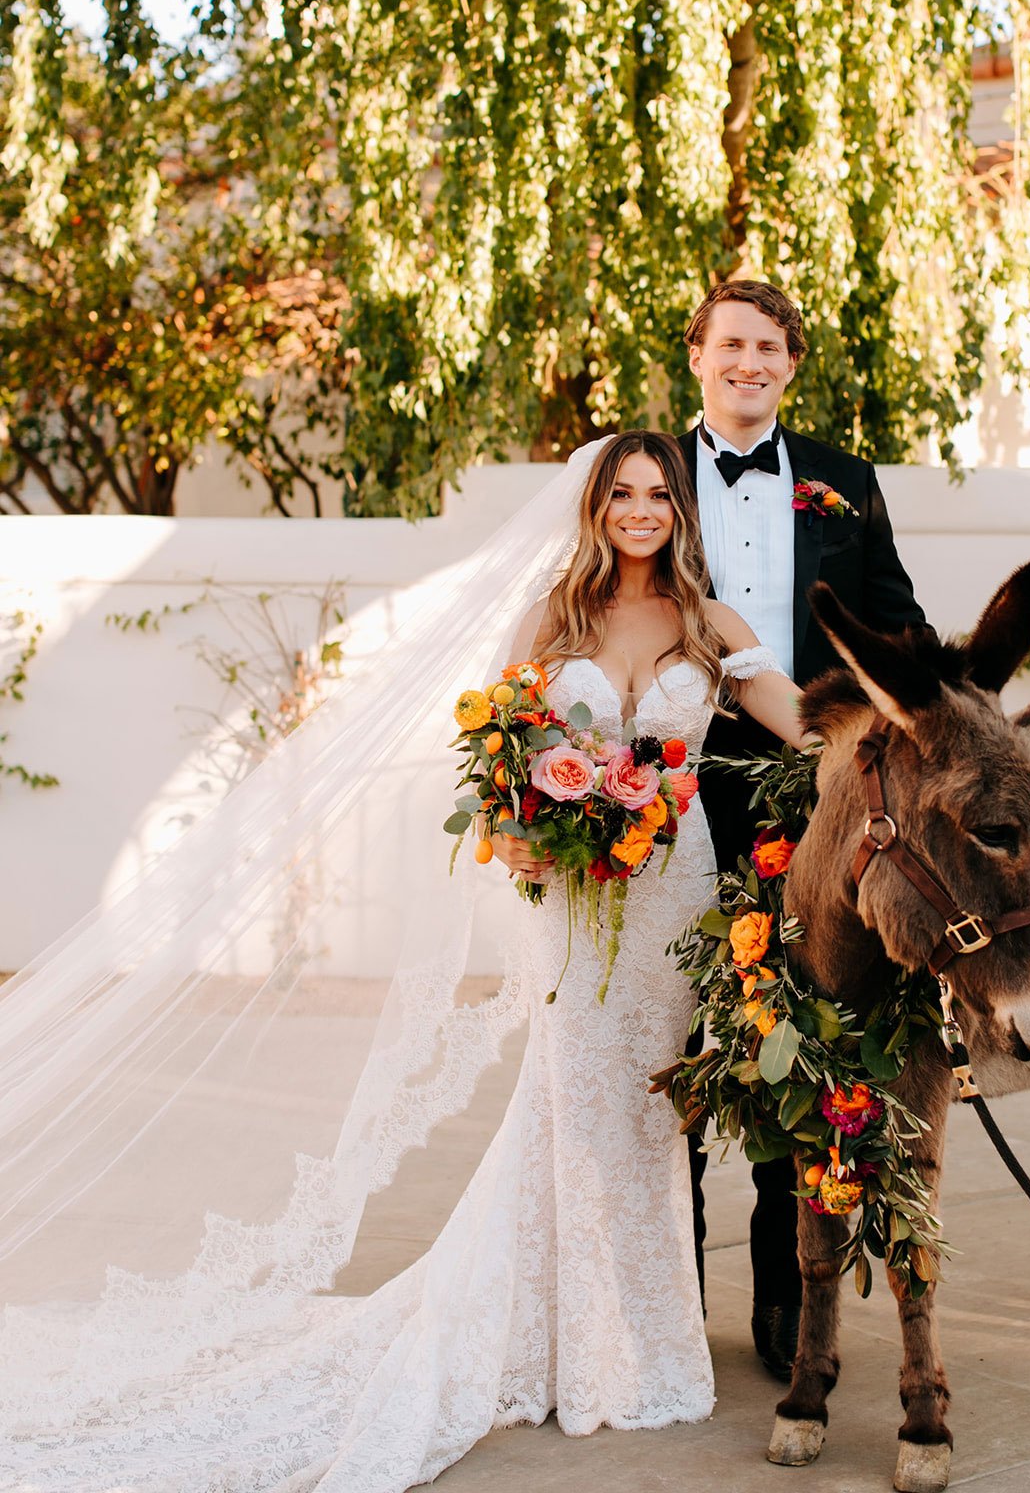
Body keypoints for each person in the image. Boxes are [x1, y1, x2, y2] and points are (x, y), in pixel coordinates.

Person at [0, 430, 807, 1491]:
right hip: (574, 897)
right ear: (597, 506)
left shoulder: (710, 624)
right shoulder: (553, 617)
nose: (641, 510)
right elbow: (493, 759)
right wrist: (510, 831)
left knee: (650, 1110)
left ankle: (634, 1342)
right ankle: (568, 1341)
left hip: (672, 889)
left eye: (658, 493)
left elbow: (803, 725)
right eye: (622, 492)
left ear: (679, 511)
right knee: (572, 1097)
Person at [677, 280, 931, 1380]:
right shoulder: (644, 475)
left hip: (809, 795)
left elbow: (893, 618)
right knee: (672, 1040)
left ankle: (785, 1300)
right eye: (731, 343)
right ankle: (668, 1295)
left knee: (803, 1033)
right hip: (669, 791)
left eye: (769, 346)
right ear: (697, 354)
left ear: (789, 365)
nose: (749, 362)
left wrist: (941, 705)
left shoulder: (844, 480)